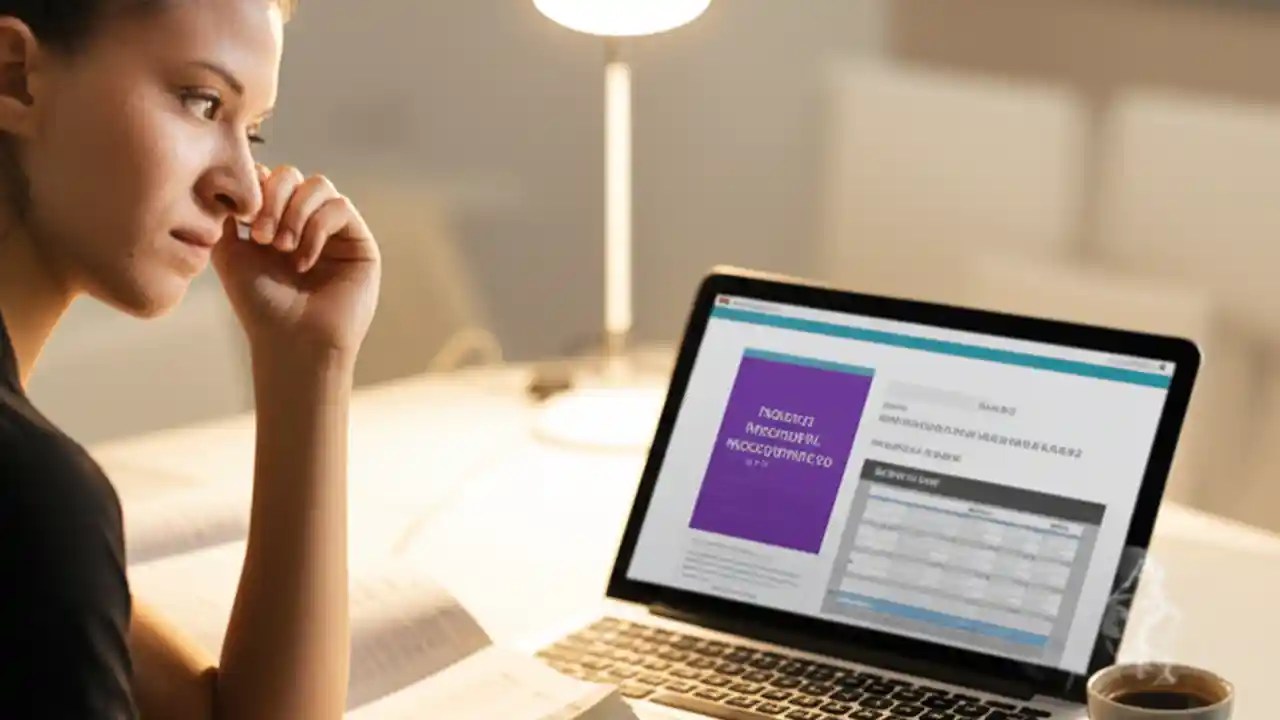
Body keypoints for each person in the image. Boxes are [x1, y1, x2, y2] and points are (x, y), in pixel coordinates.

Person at [0, 1, 381, 718]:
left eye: (256, 132)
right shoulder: (32, 501)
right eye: (202, 102)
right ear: (16, 75)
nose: (241, 187)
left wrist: (308, 363)